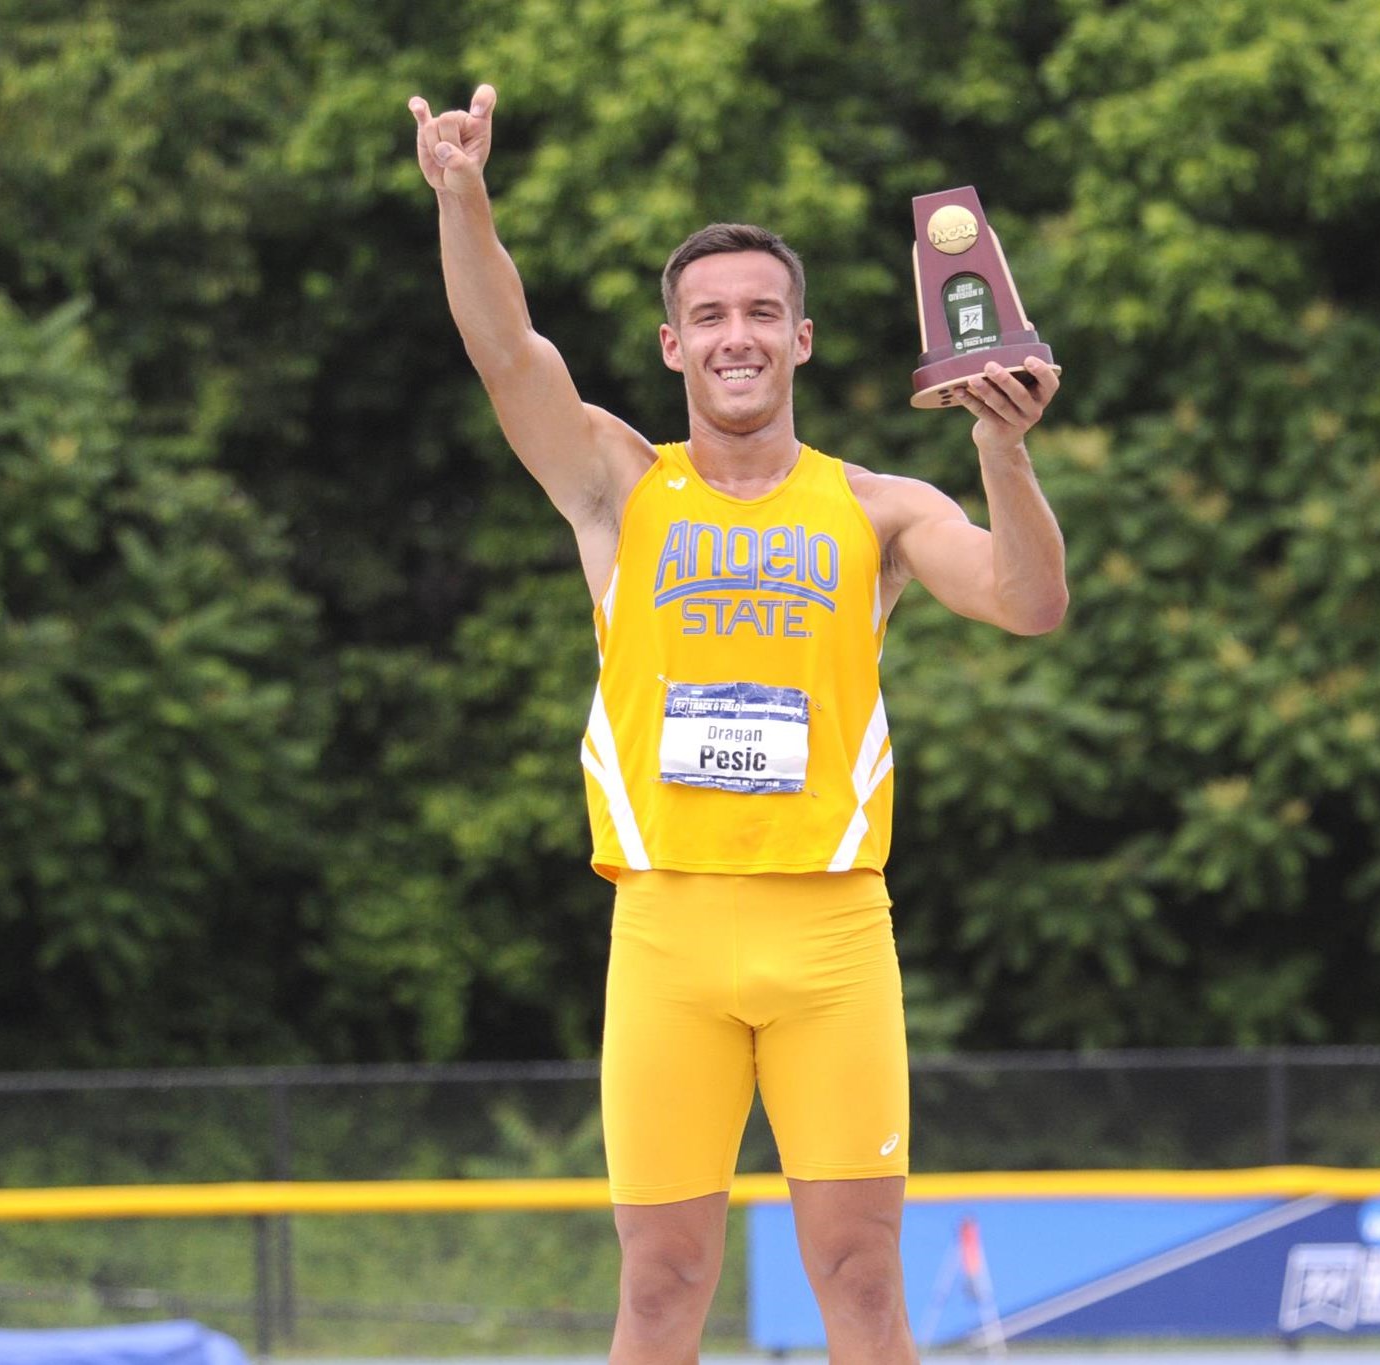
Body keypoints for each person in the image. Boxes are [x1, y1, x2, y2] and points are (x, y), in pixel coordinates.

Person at [410, 82, 1068, 1365]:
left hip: (832, 936)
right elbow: (508, 352)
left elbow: (1028, 603)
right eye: (708, 316)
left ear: (801, 338)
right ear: (672, 347)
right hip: (667, 932)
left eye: (761, 312)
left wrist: (1003, 448)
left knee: (862, 1282)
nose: (736, 336)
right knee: (661, 1288)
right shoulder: (617, 487)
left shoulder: (877, 509)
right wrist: (462, 196)